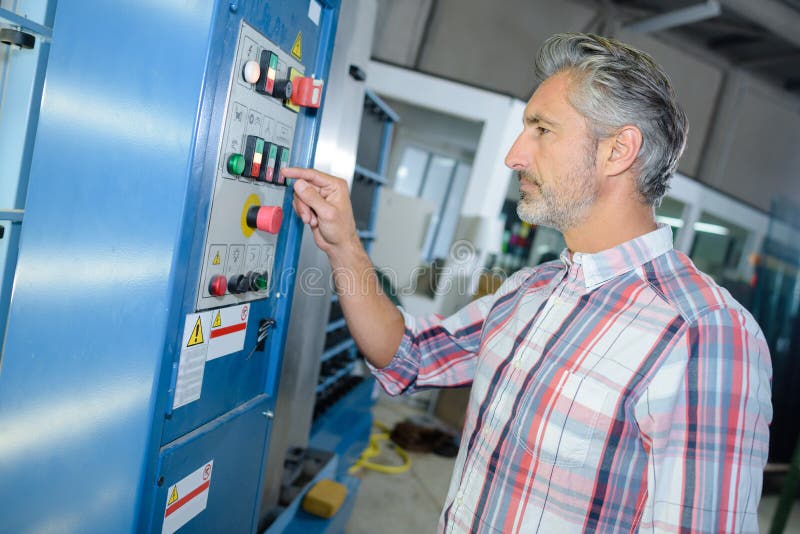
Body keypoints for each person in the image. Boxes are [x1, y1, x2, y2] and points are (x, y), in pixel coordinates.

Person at [281, 33, 772, 533]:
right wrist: (343, 244)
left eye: (541, 128)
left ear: (618, 150)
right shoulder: (529, 291)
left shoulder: (703, 335)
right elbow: (408, 353)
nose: (515, 155)